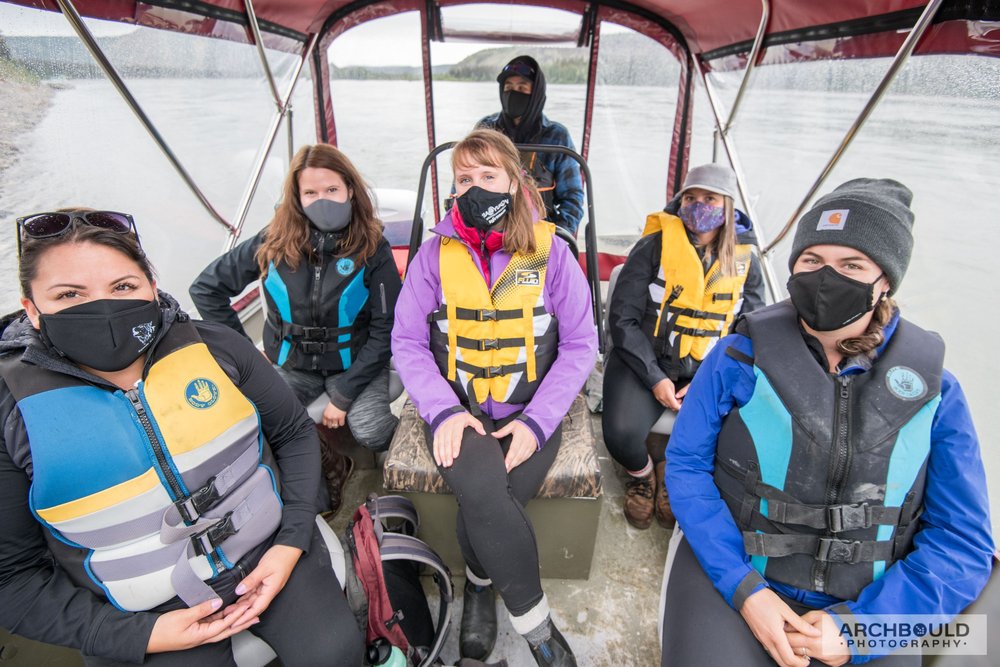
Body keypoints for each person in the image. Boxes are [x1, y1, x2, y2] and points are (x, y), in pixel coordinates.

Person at [0, 210, 363, 665]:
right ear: (31, 308)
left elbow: (292, 433)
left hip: (271, 552)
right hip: (136, 614)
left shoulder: (215, 347)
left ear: (151, 288)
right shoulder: (11, 409)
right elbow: (11, 578)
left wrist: (291, 542)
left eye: (122, 287)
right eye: (69, 294)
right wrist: (135, 635)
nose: (101, 307)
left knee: (335, 655)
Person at [662, 179, 994, 666]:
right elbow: (687, 465)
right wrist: (745, 589)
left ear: (885, 281)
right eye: (812, 261)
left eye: (851, 265)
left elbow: (962, 542)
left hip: (871, 606)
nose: (825, 277)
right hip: (735, 575)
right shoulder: (737, 356)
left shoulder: (937, 392)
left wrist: (861, 631)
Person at [392, 128, 597, 666]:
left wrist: (536, 424)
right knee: (485, 486)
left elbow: (580, 343)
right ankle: (538, 632)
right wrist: (442, 411)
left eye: (489, 176)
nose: (476, 186)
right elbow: (408, 341)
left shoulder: (548, 253)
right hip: (457, 411)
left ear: (514, 182)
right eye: (464, 178)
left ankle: (481, 582)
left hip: (530, 411)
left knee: (487, 498)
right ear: (452, 189)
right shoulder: (434, 256)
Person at [190, 144, 402, 511]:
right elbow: (207, 289)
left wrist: (344, 396)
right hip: (291, 366)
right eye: (311, 193)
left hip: (355, 366)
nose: (323, 200)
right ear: (297, 197)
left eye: (332, 190)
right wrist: (244, 355)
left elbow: (387, 328)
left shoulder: (372, 247)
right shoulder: (271, 241)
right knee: (248, 424)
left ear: (350, 190)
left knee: (371, 428)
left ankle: (398, 475)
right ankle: (332, 468)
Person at [602, 163, 765, 530]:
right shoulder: (652, 247)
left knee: (738, 435)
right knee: (621, 434)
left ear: (728, 207)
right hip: (645, 361)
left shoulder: (746, 261)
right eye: (690, 197)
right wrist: (656, 377)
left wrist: (711, 379)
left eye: (709, 198)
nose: (698, 205)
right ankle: (643, 476)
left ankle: (670, 471)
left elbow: (752, 329)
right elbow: (623, 319)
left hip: (707, 369)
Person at [476, 55, 585, 236]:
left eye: (521, 87)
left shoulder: (557, 136)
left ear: (536, 93)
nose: (513, 93)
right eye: (508, 87)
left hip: (540, 233)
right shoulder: (486, 128)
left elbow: (572, 198)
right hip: (490, 231)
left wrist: (558, 237)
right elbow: (463, 185)